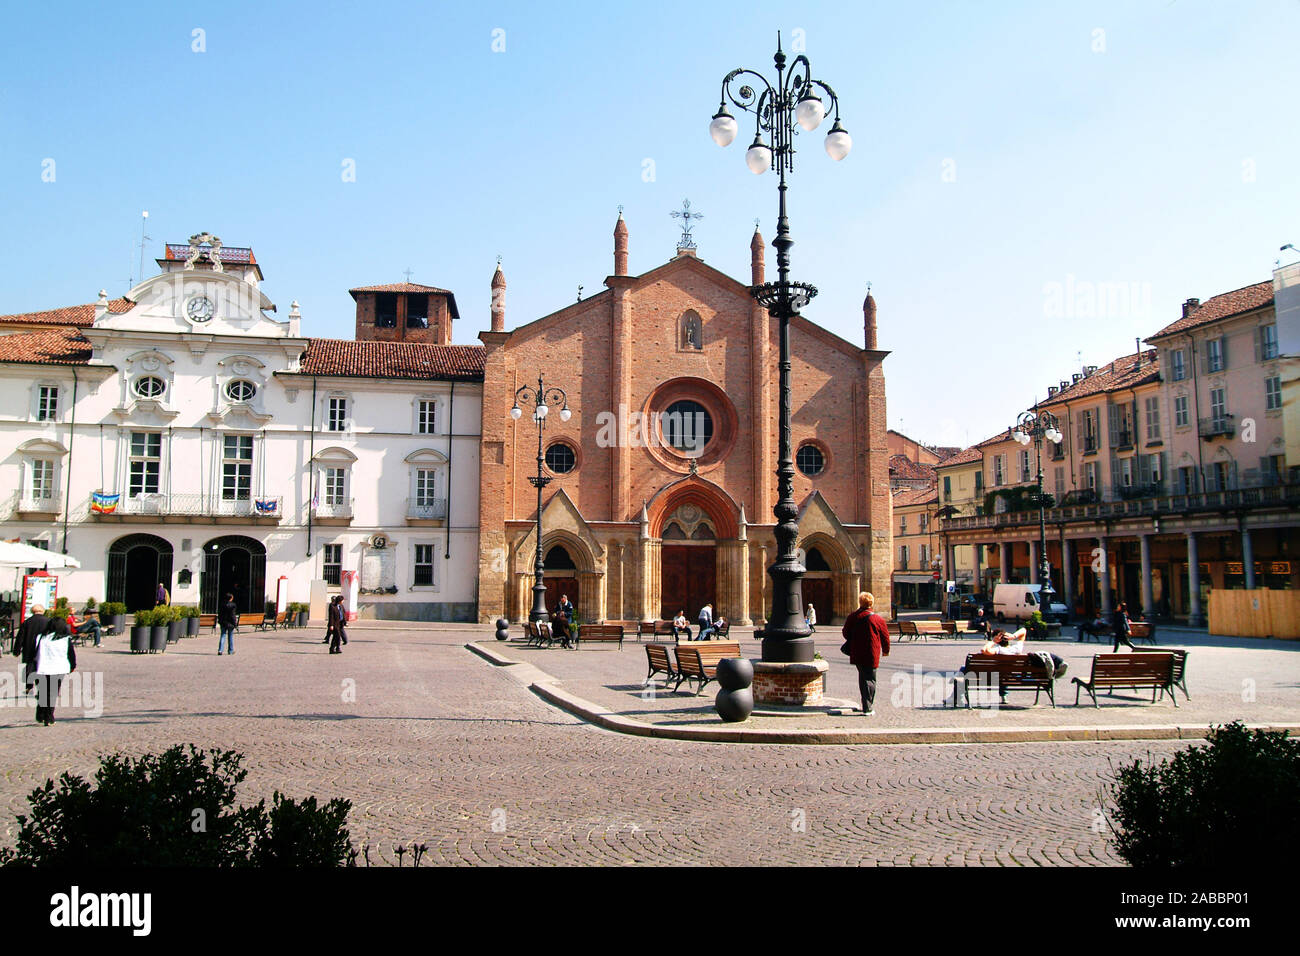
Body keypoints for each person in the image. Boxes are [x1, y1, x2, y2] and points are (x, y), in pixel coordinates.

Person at [842, 591, 890, 716]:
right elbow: (885, 636)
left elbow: (846, 633)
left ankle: (865, 703)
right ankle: (867, 707)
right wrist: (886, 650)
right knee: (870, 679)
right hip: (871, 652)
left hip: (857, 652)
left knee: (863, 677)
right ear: (872, 603)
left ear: (860, 602)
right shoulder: (877, 618)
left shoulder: (852, 616)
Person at [33, 616, 75, 726]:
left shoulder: (41, 638)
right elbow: (71, 654)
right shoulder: (66, 640)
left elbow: (34, 652)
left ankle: (41, 713)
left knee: (42, 692)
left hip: (42, 668)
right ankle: (49, 716)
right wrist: (73, 666)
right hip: (58, 668)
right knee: (52, 693)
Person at [16, 604, 50, 697]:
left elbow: (20, 638)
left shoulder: (27, 622)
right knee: (41, 668)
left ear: (32, 611)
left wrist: (17, 650)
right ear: (43, 611)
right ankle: (41, 689)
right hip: (43, 649)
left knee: (29, 667)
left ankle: (28, 685)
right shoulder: (48, 622)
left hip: (29, 649)